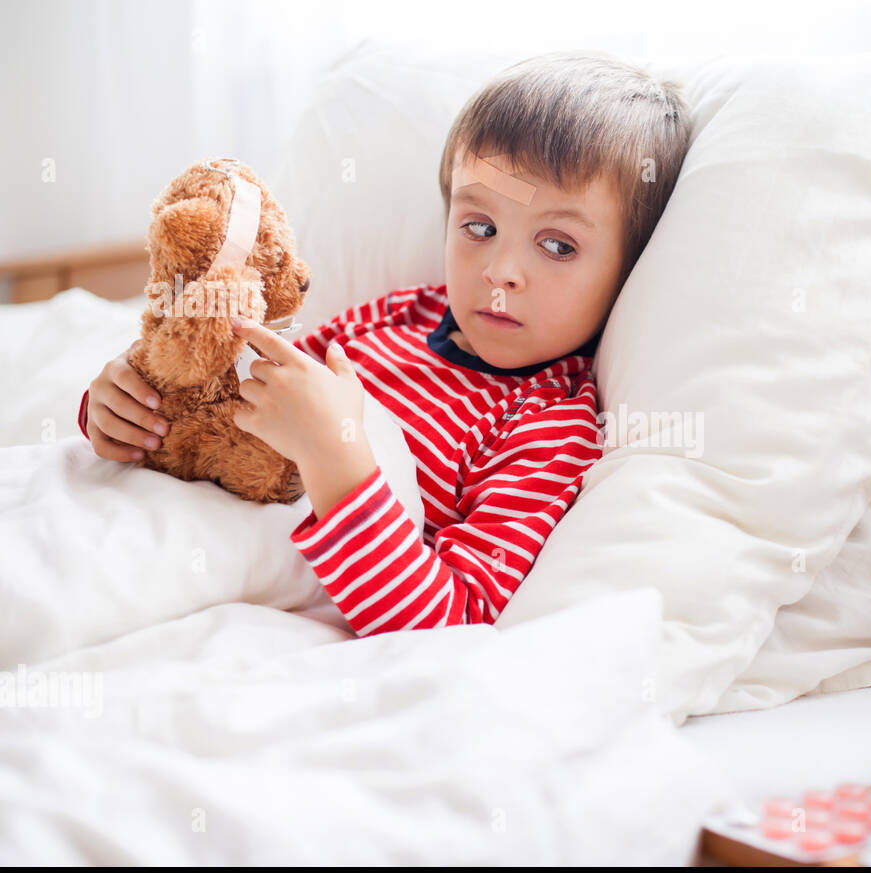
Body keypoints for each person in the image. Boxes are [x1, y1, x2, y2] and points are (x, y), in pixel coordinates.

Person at [77, 51, 692, 636]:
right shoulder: (398, 316)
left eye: (558, 245)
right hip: (165, 512)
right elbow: (221, 392)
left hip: (251, 569)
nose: (502, 270)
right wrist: (125, 404)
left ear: (626, 271)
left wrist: (334, 461)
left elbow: (452, 619)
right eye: (480, 227)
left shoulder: (548, 426)